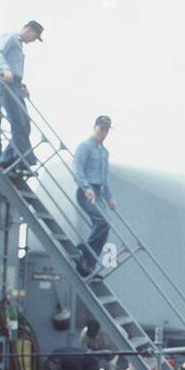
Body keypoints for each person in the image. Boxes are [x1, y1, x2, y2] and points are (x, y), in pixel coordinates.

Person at [0, 20, 44, 174]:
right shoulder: (11, 37)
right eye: (34, 37)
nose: (33, 41)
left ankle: (6, 160)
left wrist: (22, 85)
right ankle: (24, 161)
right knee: (18, 123)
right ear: (29, 30)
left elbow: (16, 69)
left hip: (16, 85)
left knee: (25, 124)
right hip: (7, 84)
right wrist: (5, 69)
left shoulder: (20, 44)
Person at [72, 116, 116, 276]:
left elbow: (104, 179)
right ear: (94, 127)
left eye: (106, 130)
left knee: (106, 225)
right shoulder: (84, 147)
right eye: (101, 129)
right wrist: (86, 188)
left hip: (99, 194)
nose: (103, 133)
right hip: (86, 193)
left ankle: (89, 263)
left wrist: (109, 197)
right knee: (102, 222)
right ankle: (82, 252)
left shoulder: (104, 152)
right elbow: (77, 170)